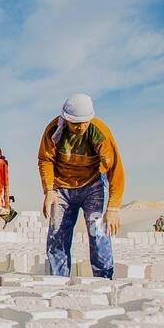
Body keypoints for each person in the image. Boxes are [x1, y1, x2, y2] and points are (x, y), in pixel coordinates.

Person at [38, 93, 124, 278]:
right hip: (61, 188)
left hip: (92, 186)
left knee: (98, 234)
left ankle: (103, 281)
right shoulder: (54, 131)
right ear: (66, 119)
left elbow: (115, 168)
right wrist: (49, 191)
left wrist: (113, 208)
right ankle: (58, 282)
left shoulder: (99, 133)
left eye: (85, 122)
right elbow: (45, 160)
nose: (81, 127)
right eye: (76, 123)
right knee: (57, 236)